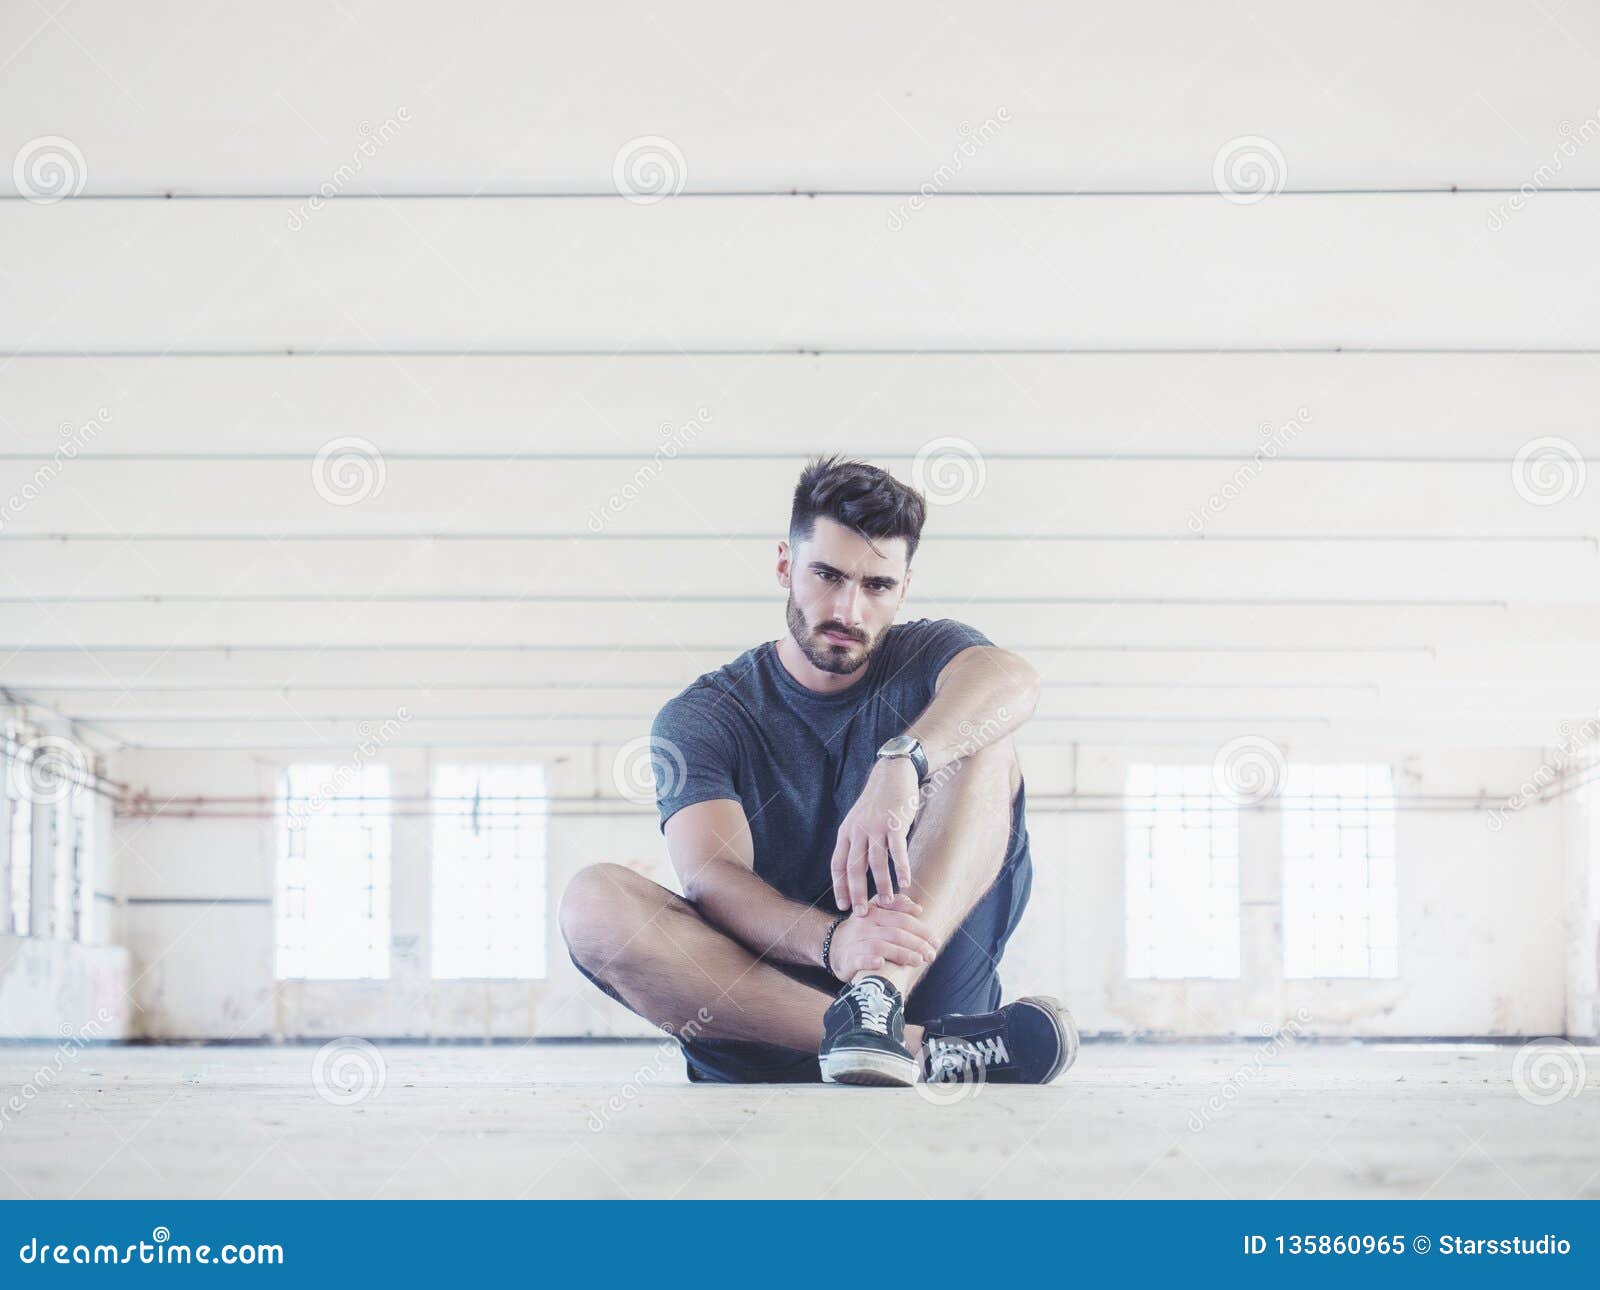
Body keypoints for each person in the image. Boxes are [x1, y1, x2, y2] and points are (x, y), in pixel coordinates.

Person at [560, 454, 1076, 1087]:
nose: (848, 610)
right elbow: (713, 877)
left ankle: (880, 1000)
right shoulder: (705, 716)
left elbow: (1012, 679)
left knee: (984, 735)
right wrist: (836, 944)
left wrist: (903, 763)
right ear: (785, 565)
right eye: (827, 575)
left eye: (876, 586)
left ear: (904, 588)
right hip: (771, 1024)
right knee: (591, 902)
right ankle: (908, 1046)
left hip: (927, 986)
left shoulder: (933, 654)